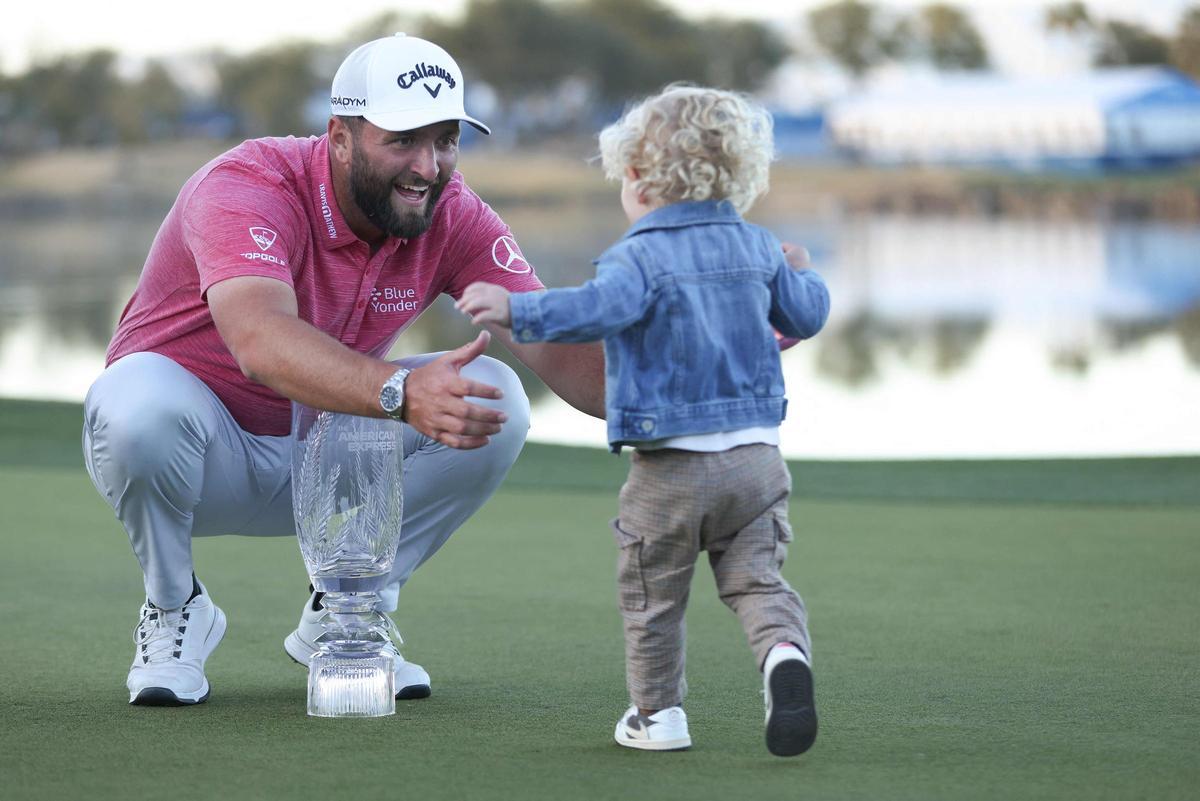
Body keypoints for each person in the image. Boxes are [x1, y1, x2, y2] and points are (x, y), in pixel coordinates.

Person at [81, 33, 609, 706]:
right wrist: (399, 389)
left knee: (497, 397)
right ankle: (174, 604)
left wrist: (720, 370)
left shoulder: (454, 212)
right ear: (339, 135)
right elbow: (260, 339)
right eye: (403, 140)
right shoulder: (248, 183)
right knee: (134, 402)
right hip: (195, 453)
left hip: (329, 455)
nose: (429, 165)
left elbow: (564, 352)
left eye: (445, 140)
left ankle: (348, 608)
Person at [457, 85, 830, 756]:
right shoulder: (759, 248)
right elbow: (804, 316)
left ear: (635, 177)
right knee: (756, 579)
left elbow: (596, 311)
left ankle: (658, 717)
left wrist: (517, 311)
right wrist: (803, 273)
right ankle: (782, 657)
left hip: (671, 466)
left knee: (654, 592)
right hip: (755, 458)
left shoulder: (639, 255)